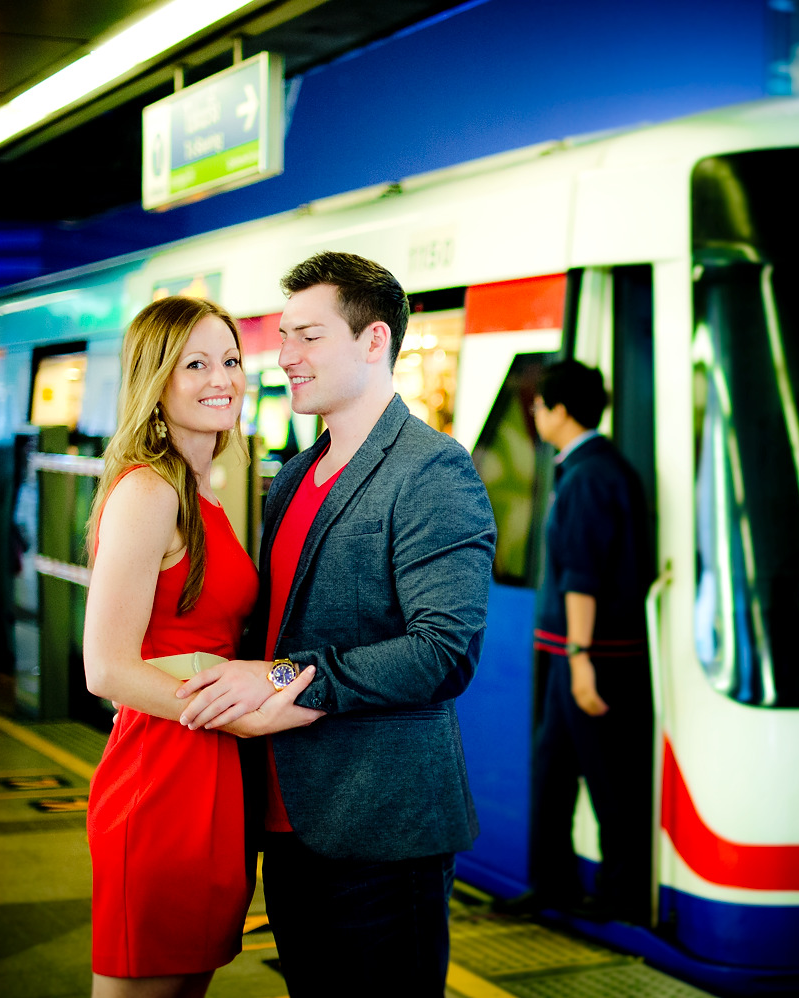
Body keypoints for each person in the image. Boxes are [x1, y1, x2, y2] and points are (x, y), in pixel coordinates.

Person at [174, 251, 496, 995]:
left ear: (374, 341)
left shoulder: (431, 470)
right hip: (291, 828)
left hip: (381, 836)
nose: (284, 356)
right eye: (284, 336)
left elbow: (441, 652)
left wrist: (281, 677)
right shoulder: (295, 476)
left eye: (308, 336)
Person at [83, 296, 317, 997]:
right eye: (196, 363)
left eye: (232, 359)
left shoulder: (204, 494)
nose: (223, 377)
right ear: (156, 381)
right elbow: (106, 668)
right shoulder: (150, 492)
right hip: (161, 776)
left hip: (213, 775)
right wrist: (243, 709)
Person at [503, 360, 653, 924]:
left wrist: (580, 659)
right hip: (576, 652)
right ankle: (553, 885)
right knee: (555, 771)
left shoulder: (590, 476)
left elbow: (583, 576)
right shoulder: (591, 467)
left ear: (560, 411)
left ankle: (622, 895)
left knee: (606, 777)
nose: (536, 415)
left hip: (590, 655)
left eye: (540, 406)